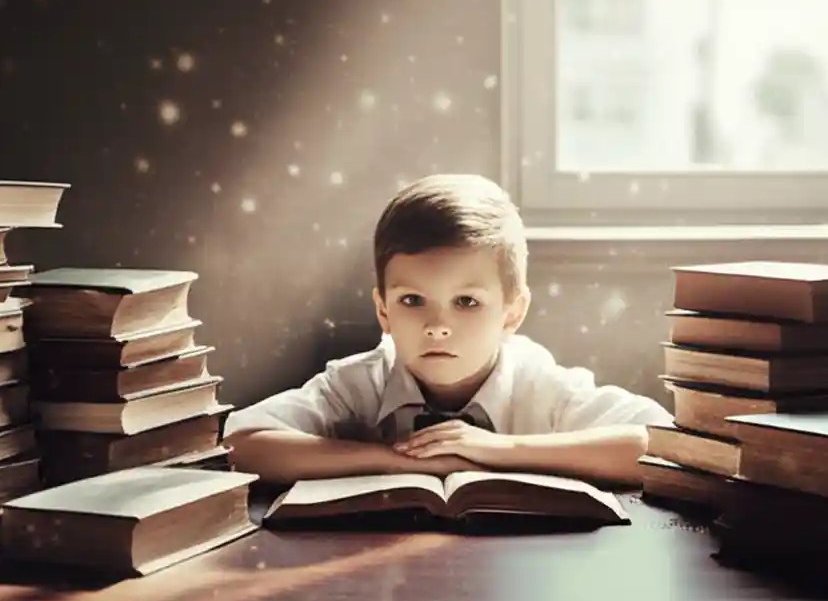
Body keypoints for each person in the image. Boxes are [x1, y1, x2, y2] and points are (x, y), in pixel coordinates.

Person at [223, 174, 671, 486]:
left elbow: (661, 443)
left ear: (512, 313)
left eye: (467, 302)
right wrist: (399, 462)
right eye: (412, 301)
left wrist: (498, 451)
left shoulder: (539, 383)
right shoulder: (359, 382)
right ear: (383, 311)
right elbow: (241, 444)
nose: (438, 327)